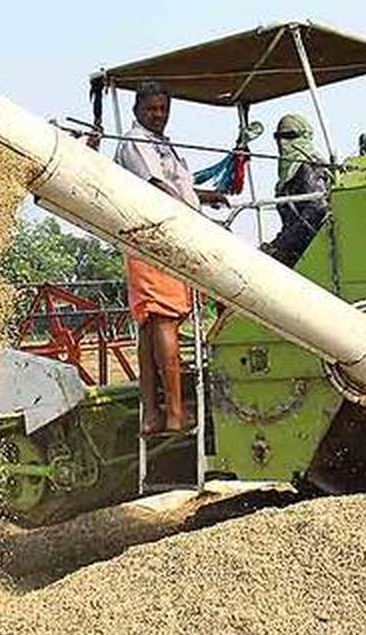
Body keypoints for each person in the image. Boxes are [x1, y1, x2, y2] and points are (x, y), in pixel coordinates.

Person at [114, 81, 227, 434]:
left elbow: (177, 186)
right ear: (137, 110)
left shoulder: (162, 144)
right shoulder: (136, 142)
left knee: (150, 327)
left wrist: (205, 197)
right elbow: (157, 186)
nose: (158, 115)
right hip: (156, 237)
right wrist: (195, 220)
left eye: (163, 109)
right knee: (164, 320)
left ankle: (152, 416)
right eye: (151, 109)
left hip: (159, 237)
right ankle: (175, 412)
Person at [262, 114, 331, 268]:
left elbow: (316, 210)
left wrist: (281, 246)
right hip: (296, 245)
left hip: (314, 245)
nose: (282, 142)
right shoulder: (287, 173)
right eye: (278, 137)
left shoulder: (309, 165)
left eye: (289, 136)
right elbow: (292, 220)